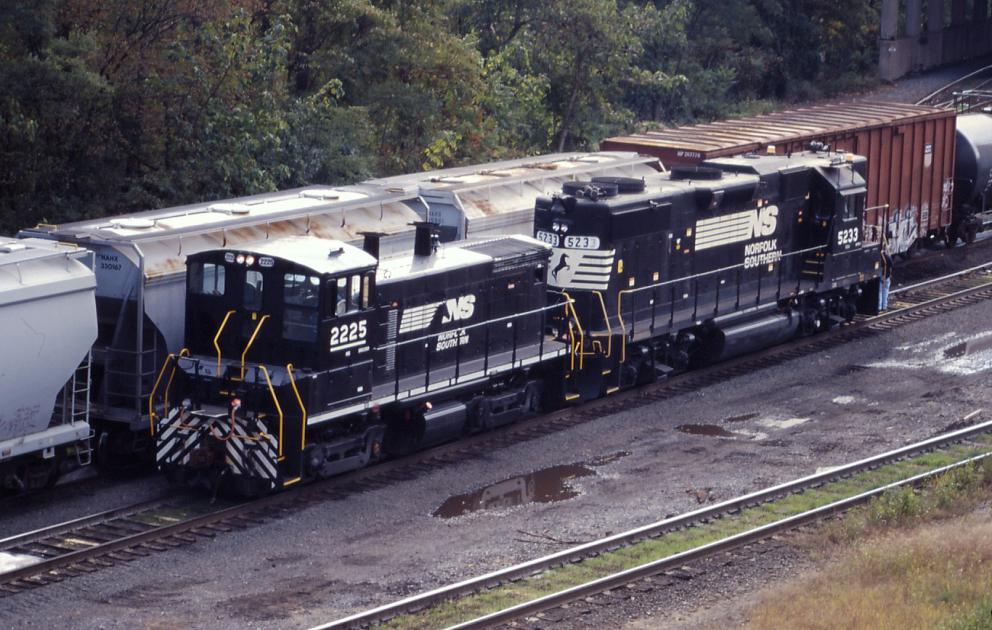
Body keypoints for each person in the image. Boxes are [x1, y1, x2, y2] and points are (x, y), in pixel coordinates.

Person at [879, 235, 893, 311]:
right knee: (885, 291)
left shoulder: (879, 256)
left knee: (880, 291)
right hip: (887, 276)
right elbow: (891, 265)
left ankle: (879, 307)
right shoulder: (887, 257)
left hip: (881, 276)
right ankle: (884, 306)